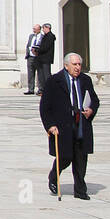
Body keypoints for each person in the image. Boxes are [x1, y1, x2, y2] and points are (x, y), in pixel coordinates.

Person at [40, 51, 100, 199]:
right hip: (62, 126)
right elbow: (45, 106)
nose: (78, 67)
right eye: (74, 64)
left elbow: (94, 99)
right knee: (65, 156)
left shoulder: (85, 80)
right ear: (66, 66)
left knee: (81, 158)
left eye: (79, 64)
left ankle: (80, 190)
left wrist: (91, 109)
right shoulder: (54, 81)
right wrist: (50, 125)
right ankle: (54, 176)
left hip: (81, 124)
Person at [36, 22, 56, 94]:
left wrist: (38, 50)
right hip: (41, 59)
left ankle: (48, 89)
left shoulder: (50, 36)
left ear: (47, 28)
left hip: (46, 59)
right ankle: (42, 89)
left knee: (46, 74)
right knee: (41, 75)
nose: (43, 30)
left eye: (43, 28)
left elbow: (46, 47)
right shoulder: (45, 36)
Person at [24, 23, 43, 94]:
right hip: (30, 57)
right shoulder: (31, 36)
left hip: (38, 57)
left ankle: (40, 88)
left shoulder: (42, 37)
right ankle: (30, 89)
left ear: (39, 29)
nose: (34, 30)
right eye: (33, 29)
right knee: (30, 73)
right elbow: (28, 45)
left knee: (39, 73)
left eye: (35, 29)